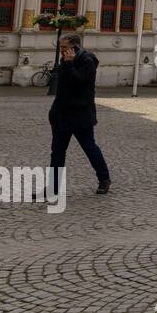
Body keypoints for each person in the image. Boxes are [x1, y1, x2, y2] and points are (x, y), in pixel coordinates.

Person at [46, 33, 111, 197]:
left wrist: (69, 65)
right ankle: (53, 188)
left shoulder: (87, 61)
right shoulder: (65, 60)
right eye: (61, 48)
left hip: (80, 114)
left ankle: (104, 178)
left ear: (74, 47)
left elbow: (80, 82)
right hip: (62, 113)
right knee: (57, 151)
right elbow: (62, 88)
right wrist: (54, 111)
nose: (61, 51)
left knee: (89, 148)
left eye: (64, 47)